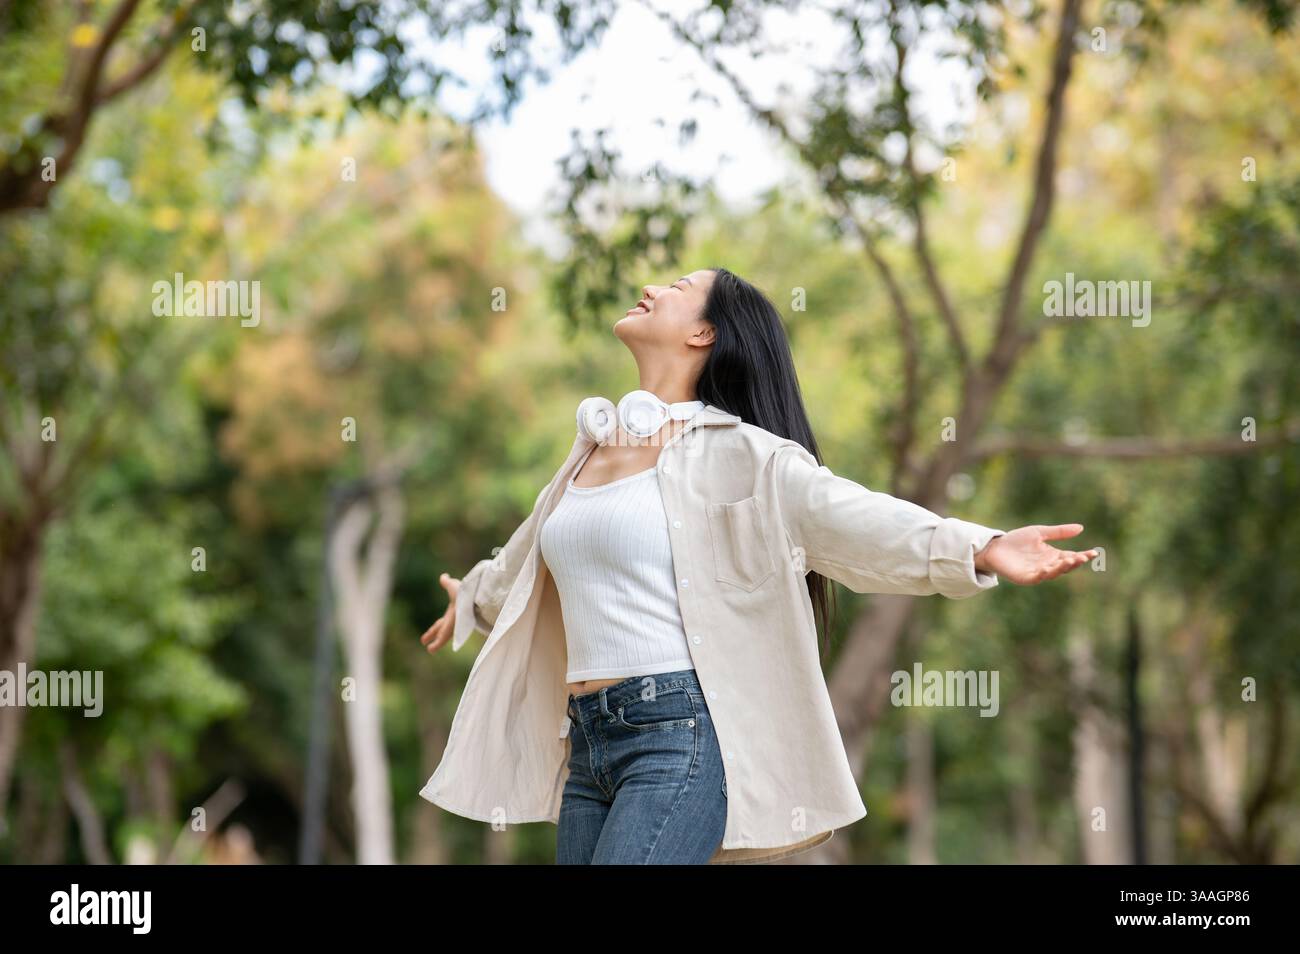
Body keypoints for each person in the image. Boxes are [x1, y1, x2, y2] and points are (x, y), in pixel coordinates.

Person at [419, 267, 1096, 864]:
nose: (651, 289)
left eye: (678, 288)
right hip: (588, 745)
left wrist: (980, 545)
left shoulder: (750, 458)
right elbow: (525, 560)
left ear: (705, 335)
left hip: (676, 737)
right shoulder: (587, 455)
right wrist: (472, 598)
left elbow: (857, 520)